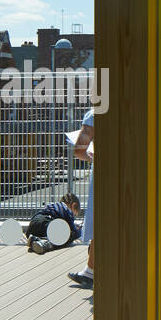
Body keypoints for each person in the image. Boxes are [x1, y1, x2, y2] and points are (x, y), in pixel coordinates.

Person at [69, 108, 95, 287]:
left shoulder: (94, 115)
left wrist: (91, 157)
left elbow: (79, 150)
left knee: (99, 223)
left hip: (106, 175)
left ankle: (91, 271)